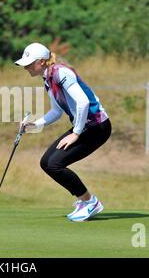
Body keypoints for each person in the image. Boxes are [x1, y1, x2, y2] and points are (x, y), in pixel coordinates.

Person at [16, 43, 111, 222]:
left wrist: (75, 133)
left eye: (29, 63)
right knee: (46, 162)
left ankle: (90, 202)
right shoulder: (48, 78)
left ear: (42, 62)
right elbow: (56, 111)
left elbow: (82, 103)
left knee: (54, 164)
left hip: (97, 127)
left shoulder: (61, 73)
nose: (26, 67)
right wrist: (34, 125)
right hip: (84, 127)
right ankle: (84, 202)